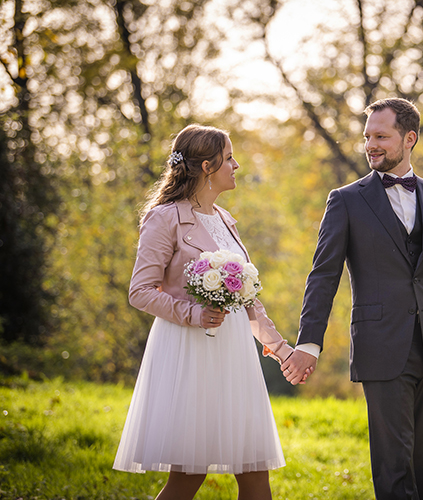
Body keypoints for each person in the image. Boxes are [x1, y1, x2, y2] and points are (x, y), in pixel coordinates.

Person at [281, 98, 423, 500]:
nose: (370, 145)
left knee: (417, 466)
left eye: (381, 136)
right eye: (367, 137)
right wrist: (309, 343)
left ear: (409, 138)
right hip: (381, 346)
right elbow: (323, 276)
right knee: (394, 467)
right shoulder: (345, 200)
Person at [113, 124, 305, 500]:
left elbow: (248, 302)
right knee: (188, 477)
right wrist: (193, 314)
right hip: (190, 355)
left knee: (254, 472)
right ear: (206, 166)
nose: (237, 165)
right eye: (229, 158)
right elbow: (139, 291)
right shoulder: (164, 218)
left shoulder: (225, 220)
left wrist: (283, 351)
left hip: (235, 358)